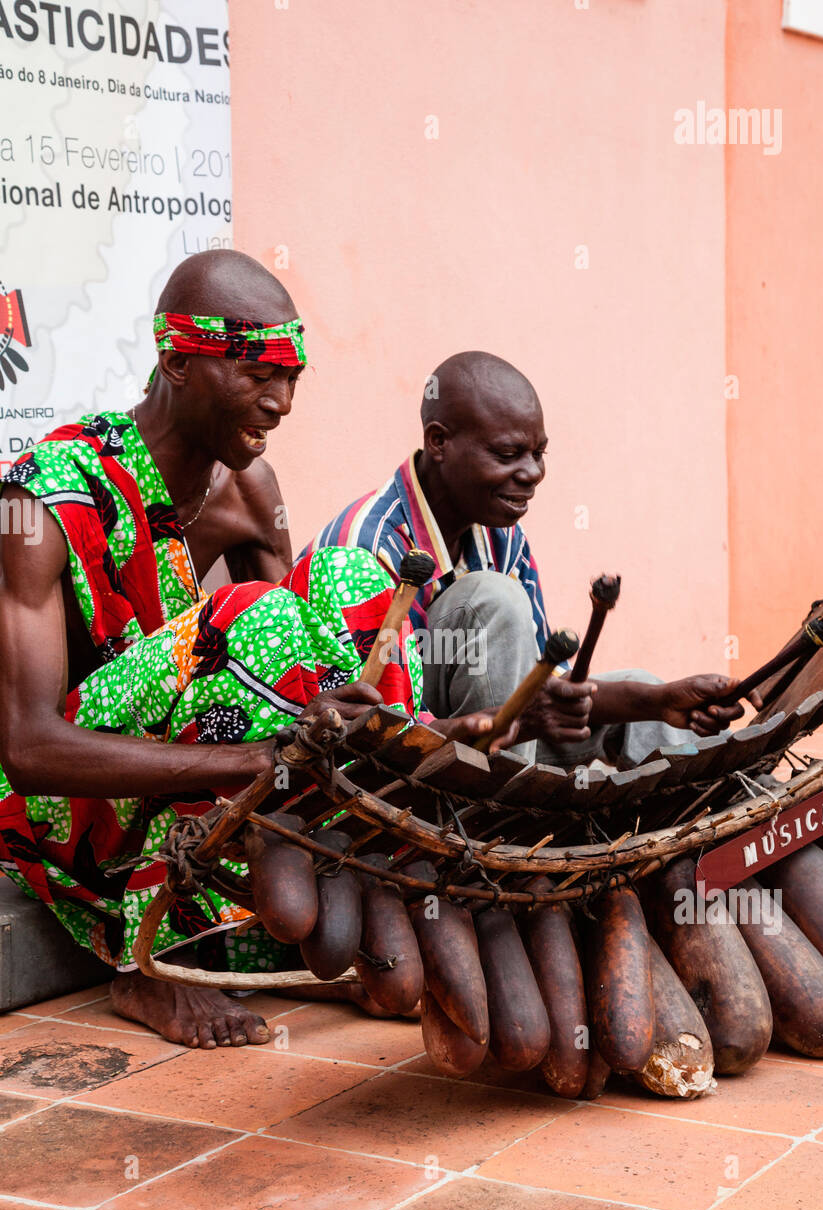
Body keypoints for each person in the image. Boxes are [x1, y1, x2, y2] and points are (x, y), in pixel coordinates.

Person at [0, 254, 509, 1048]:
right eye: (258, 374)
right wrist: (257, 760)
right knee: (247, 614)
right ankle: (150, 964)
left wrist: (355, 726)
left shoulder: (249, 489)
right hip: (64, 812)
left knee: (347, 577)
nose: (281, 403)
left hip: (190, 771)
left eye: (292, 377)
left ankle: (372, 883)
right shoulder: (43, 497)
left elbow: (304, 669)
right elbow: (29, 750)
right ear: (177, 361)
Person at [304, 350, 756, 765]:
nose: (533, 473)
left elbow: (545, 687)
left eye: (539, 453)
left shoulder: (502, 535)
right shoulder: (364, 549)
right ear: (439, 442)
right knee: (491, 598)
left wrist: (659, 700)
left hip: (498, 731)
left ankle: (717, 803)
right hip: (406, 761)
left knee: (643, 698)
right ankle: (498, 802)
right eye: (508, 454)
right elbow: (372, 731)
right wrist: (511, 720)